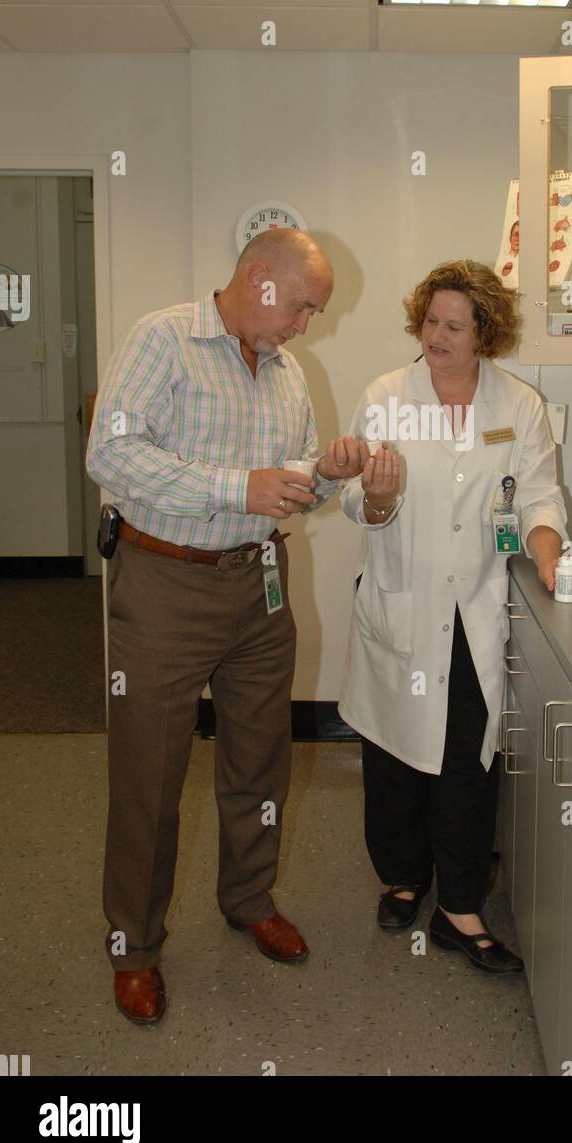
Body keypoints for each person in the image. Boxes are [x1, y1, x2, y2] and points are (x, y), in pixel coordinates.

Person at [86, 229, 367, 1024]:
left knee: (259, 761)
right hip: (163, 586)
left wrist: (324, 476)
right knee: (150, 776)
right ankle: (133, 947)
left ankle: (248, 897)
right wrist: (233, 487)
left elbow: (291, 485)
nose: (306, 326)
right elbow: (109, 455)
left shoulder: (286, 372)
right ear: (258, 278)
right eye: (304, 306)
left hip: (258, 589)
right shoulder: (164, 338)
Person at [338, 260, 572, 974]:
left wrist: (547, 556)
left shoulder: (518, 404)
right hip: (400, 598)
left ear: (485, 332)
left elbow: (539, 497)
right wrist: (378, 499)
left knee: (465, 759)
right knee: (390, 752)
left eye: (454, 325)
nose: (436, 337)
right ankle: (401, 875)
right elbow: (355, 499)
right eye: (429, 322)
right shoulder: (386, 396)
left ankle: (458, 902)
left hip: (476, 608)